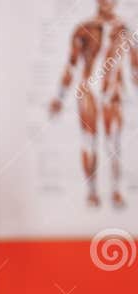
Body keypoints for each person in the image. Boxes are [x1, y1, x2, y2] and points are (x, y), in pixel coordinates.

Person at [50, 0, 138, 208]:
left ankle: (115, 190)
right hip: (89, 91)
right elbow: (71, 65)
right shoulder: (84, 28)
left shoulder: (125, 30)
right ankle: (91, 191)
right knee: (89, 141)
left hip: (112, 92)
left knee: (113, 142)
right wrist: (60, 97)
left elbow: (136, 69)